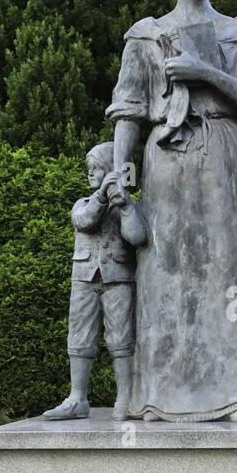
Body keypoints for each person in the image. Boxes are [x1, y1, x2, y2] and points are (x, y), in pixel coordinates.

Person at [105, 0, 237, 423]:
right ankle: (162, 396)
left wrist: (206, 72)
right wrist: (120, 180)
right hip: (166, 163)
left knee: (232, 273)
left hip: (227, 162)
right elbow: (129, 110)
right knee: (166, 276)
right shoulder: (145, 36)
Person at [43, 142, 147, 421]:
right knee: (80, 336)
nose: (89, 174)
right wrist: (102, 195)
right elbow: (85, 221)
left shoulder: (128, 206)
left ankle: (125, 397)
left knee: (121, 339)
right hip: (84, 279)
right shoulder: (84, 204)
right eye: (88, 170)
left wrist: (124, 206)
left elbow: (137, 237)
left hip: (119, 279)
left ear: (111, 171)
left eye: (96, 169)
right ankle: (77, 398)